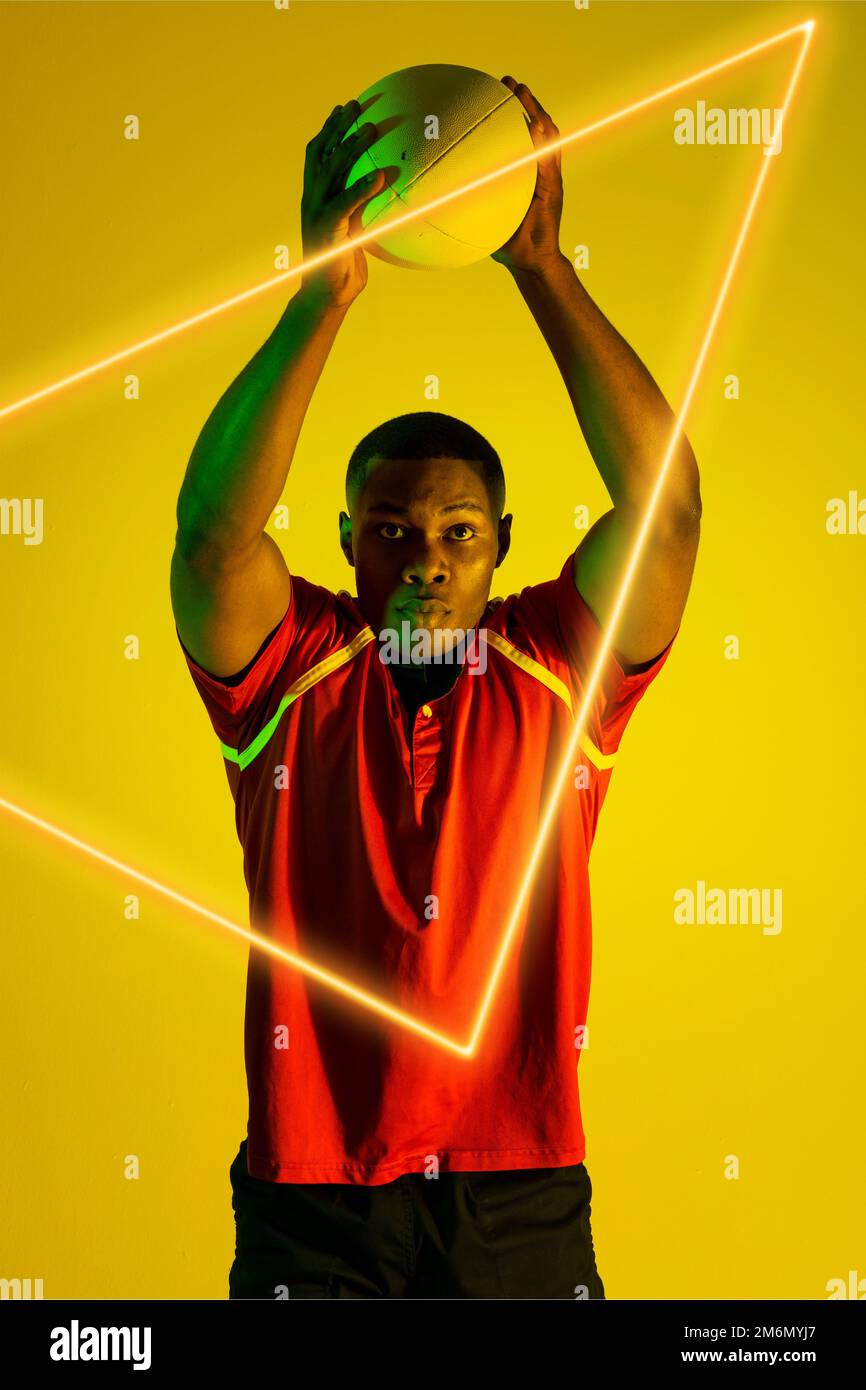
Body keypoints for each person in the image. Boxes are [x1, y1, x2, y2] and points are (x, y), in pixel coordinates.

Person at [170, 78, 701, 1299]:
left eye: (457, 531)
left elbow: (664, 511)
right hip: (317, 1192)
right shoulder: (289, 673)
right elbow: (211, 539)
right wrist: (322, 295)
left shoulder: (558, 668)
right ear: (348, 541)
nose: (426, 558)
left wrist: (541, 269)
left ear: (503, 542)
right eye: (393, 531)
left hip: (514, 1185)